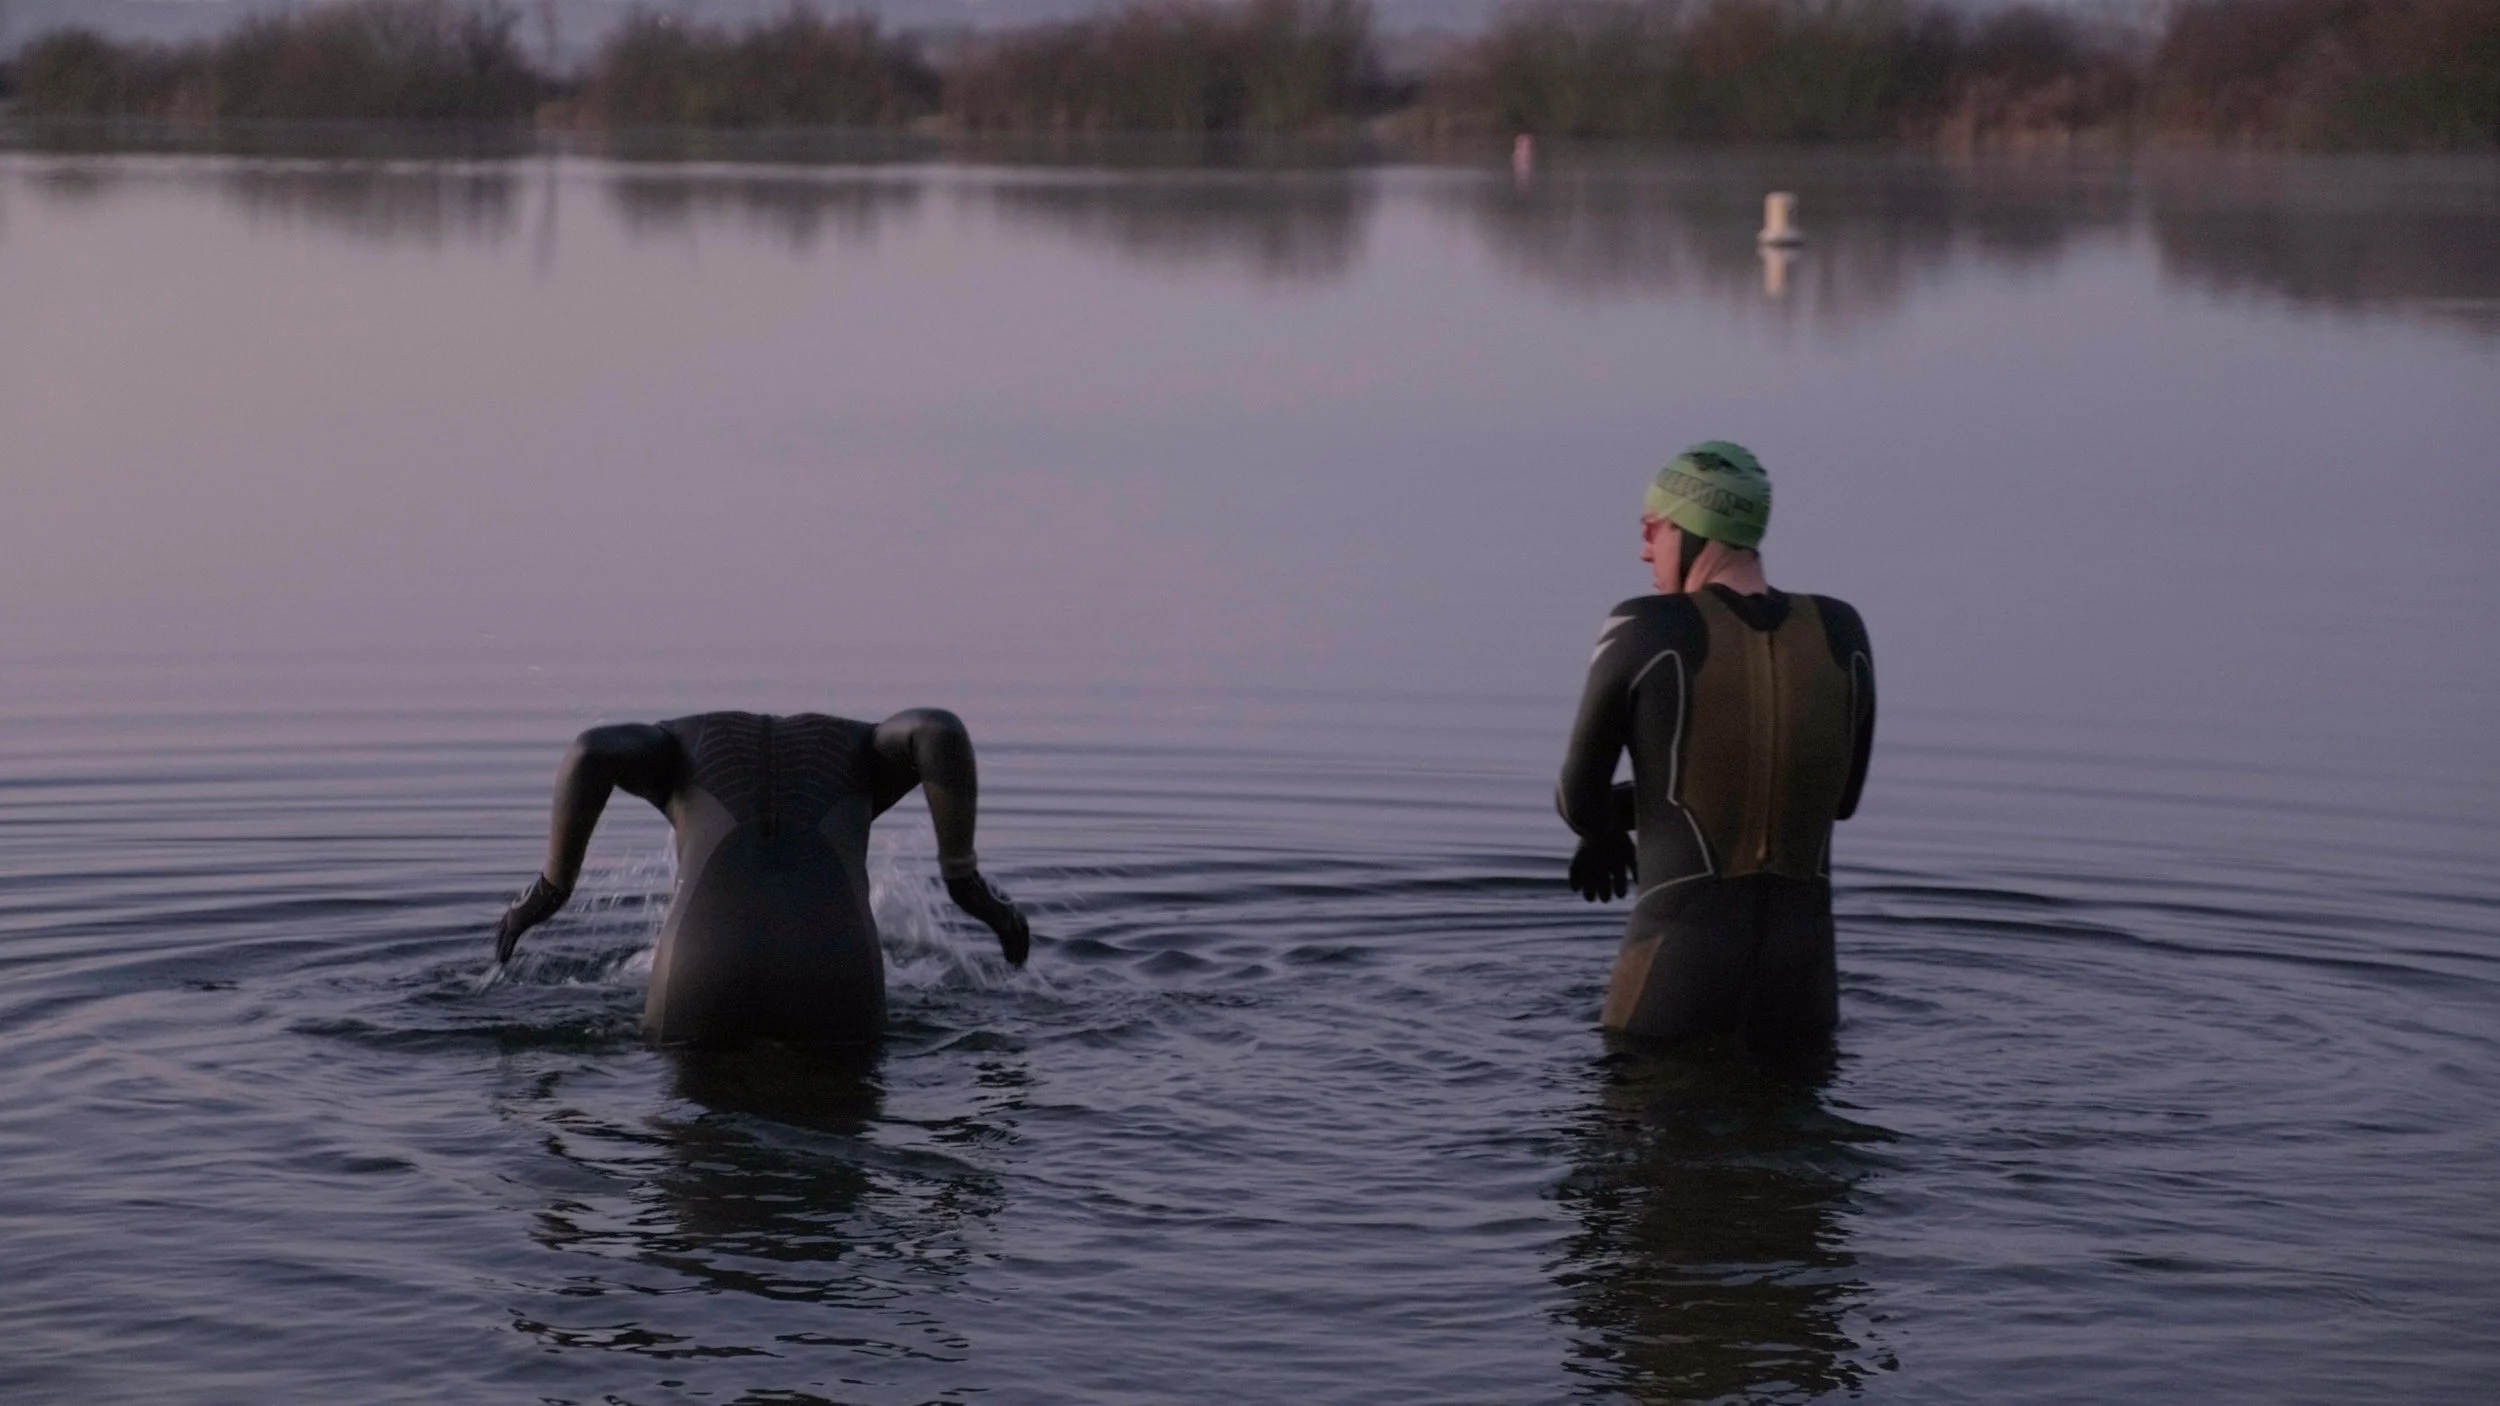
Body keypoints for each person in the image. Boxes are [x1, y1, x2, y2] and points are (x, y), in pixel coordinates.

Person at [1557, 442, 1874, 1052]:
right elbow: (1842, 797)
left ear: (1692, 528)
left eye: (1653, 529)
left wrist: (1604, 831)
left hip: (1677, 968)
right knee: (1793, 1135)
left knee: (1652, 1114)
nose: (1645, 550)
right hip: (1803, 979)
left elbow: (1578, 797)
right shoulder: (1843, 630)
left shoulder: (1644, 626)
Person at [492, 708, 1031, 1048]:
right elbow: (938, 730)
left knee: (696, 1160)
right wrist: (964, 883)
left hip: (701, 972)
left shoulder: (677, 750)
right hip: (834, 968)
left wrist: (551, 890)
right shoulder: (863, 753)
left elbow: (592, 750)